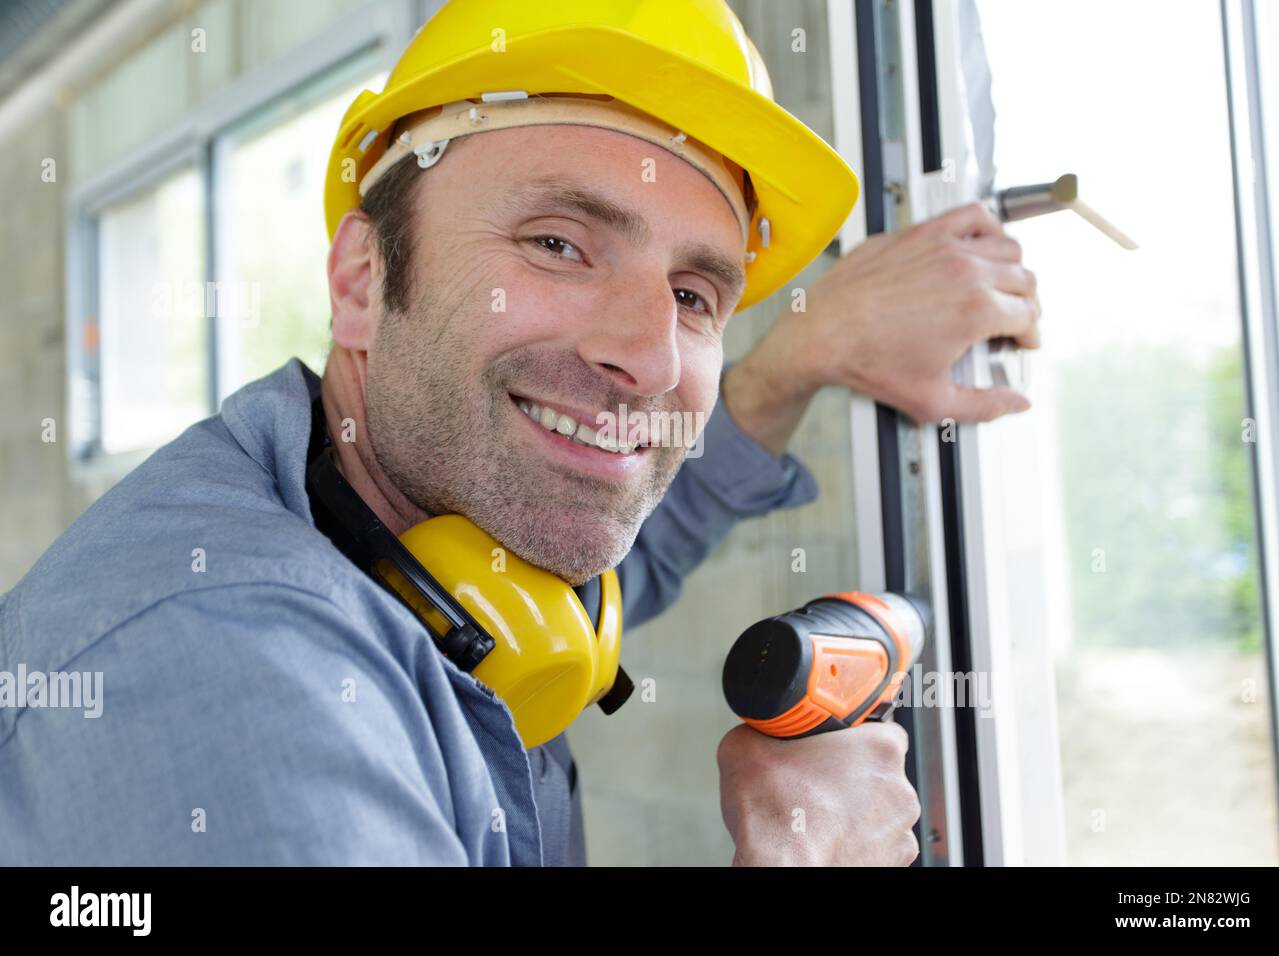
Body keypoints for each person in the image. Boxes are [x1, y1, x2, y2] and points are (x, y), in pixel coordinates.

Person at [0, 0, 1038, 865]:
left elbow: (598, 521)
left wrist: (810, 353)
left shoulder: (420, 518)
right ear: (362, 280)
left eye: (691, 293)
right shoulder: (235, 676)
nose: (645, 353)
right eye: (558, 243)